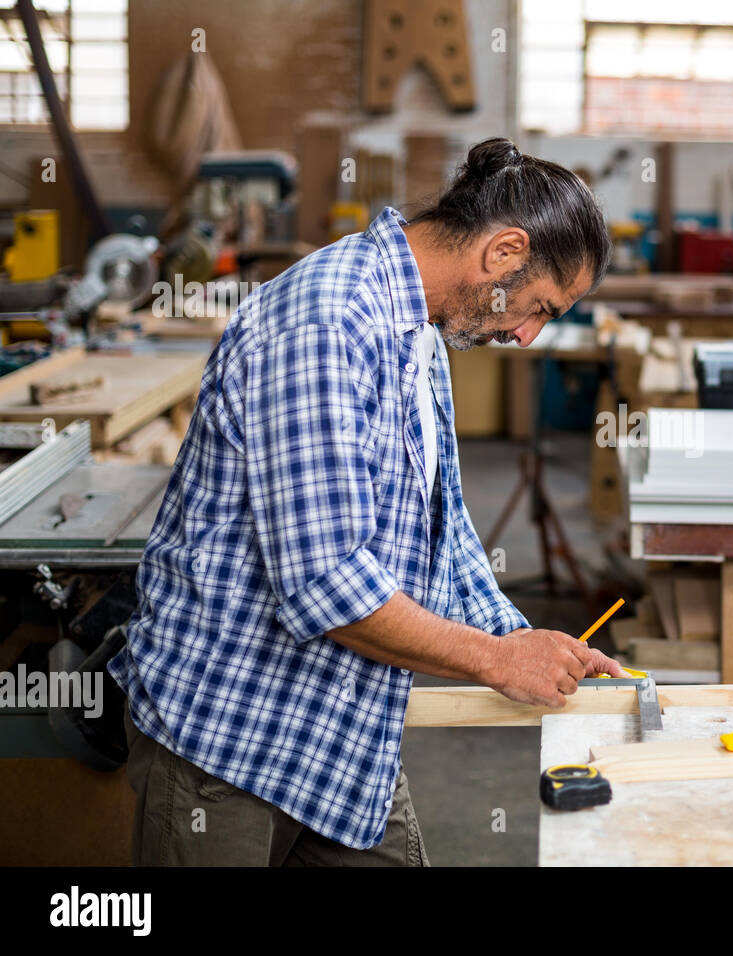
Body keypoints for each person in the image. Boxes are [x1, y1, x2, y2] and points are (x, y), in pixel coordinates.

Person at [108, 137, 623, 866]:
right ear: (504, 251)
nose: (527, 333)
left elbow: (444, 536)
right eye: (539, 307)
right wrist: (495, 663)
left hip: (342, 729)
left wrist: (523, 643)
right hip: (227, 740)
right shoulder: (326, 326)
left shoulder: (419, 330)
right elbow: (327, 587)